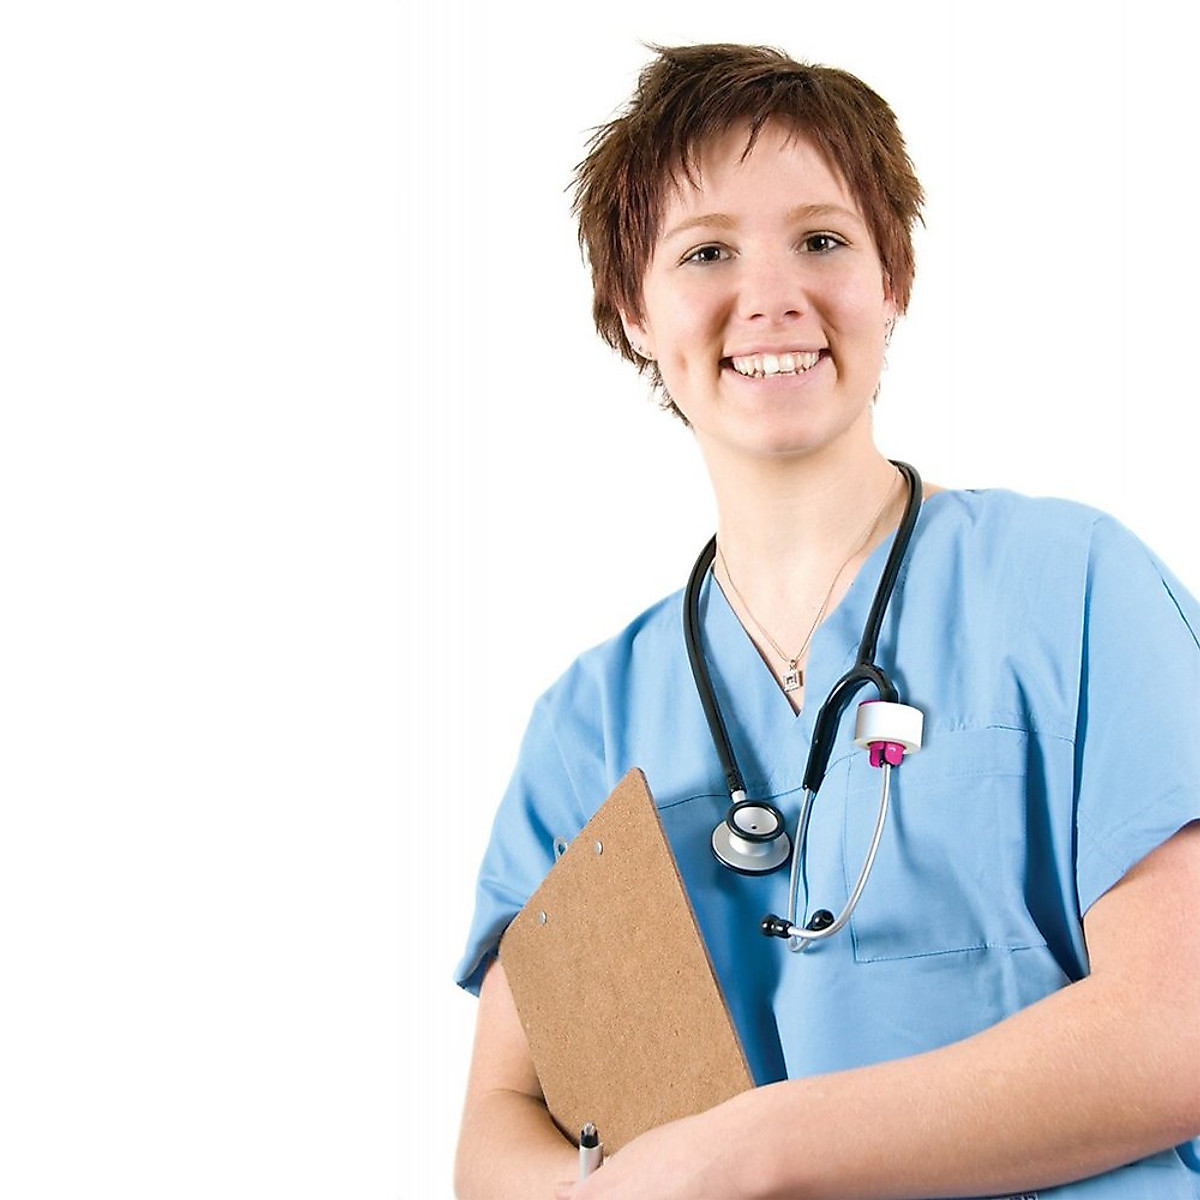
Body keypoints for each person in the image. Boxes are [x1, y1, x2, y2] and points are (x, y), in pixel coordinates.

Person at [453, 42, 1200, 1199]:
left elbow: (1179, 1029)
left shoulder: (1076, 590)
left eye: (822, 240)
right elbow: (501, 1129)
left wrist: (755, 1153)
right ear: (632, 310)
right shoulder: (590, 725)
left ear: (892, 279)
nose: (772, 297)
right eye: (706, 252)